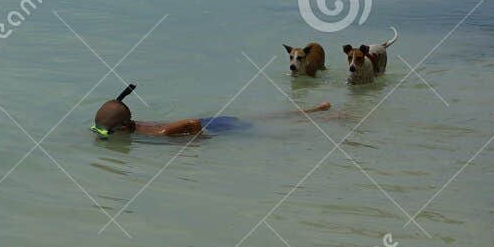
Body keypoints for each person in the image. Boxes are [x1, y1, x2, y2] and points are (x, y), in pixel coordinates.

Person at [91, 85, 330, 138]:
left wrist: (199, 141)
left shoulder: (155, 134)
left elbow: (191, 123)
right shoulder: (137, 125)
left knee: (261, 126)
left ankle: (325, 117)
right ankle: (315, 110)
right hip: (213, 121)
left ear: (123, 128)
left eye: (105, 133)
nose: (102, 135)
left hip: (211, 126)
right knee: (256, 119)